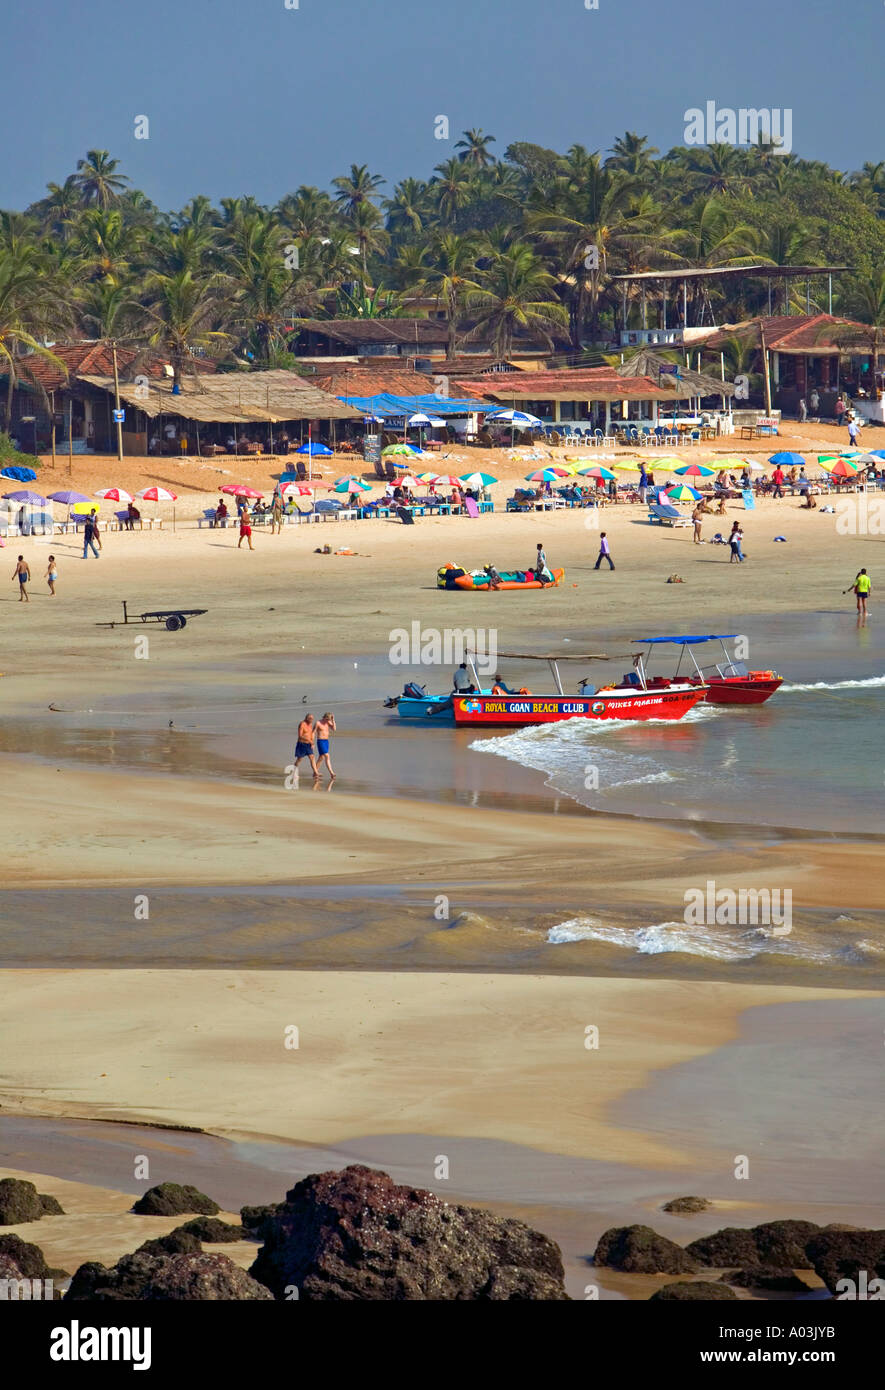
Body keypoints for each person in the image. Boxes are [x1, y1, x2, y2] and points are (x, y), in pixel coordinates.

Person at [315, 712, 337, 782]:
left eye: (329, 720)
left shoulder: (328, 722)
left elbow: (334, 729)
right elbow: (313, 732)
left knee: (321, 757)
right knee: (327, 756)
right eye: (328, 719)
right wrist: (311, 741)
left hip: (326, 741)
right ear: (324, 717)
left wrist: (333, 720)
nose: (328, 721)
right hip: (320, 741)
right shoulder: (318, 723)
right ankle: (332, 773)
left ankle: (315, 772)